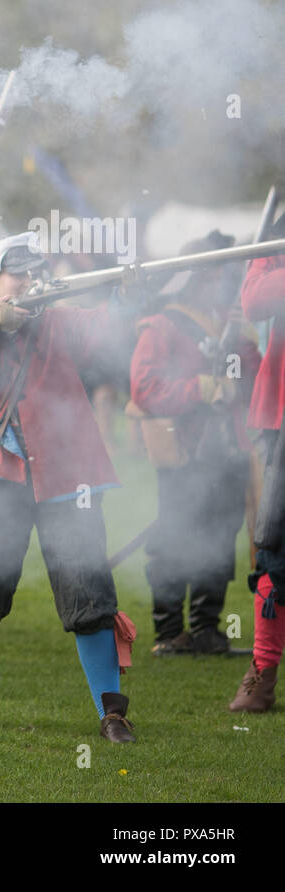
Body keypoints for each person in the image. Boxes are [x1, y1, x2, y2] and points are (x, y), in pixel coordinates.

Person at [0, 230, 139, 741]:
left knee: (89, 596)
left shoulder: (58, 321)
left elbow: (109, 332)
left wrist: (129, 296)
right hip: (0, 481)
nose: (28, 279)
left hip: (68, 480)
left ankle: (112, 713)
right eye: (17, 272)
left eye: (34, 271)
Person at [129, 234, 258, 656]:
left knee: (220, 541)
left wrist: (242, 346)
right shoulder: (162, 325)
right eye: (212, 275)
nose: (219, 283)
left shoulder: (229, 324)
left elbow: (249, 379)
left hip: (227, 452)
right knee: (174, 541)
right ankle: (169, 633)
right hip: (184, 452)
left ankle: (205, 629)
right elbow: (145, 389)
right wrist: (198, 388)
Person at [231, 213, 285, 711]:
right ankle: (263, 672)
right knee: (273, 544)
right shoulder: (276, 244)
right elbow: (255, 299)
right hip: (280, 420)